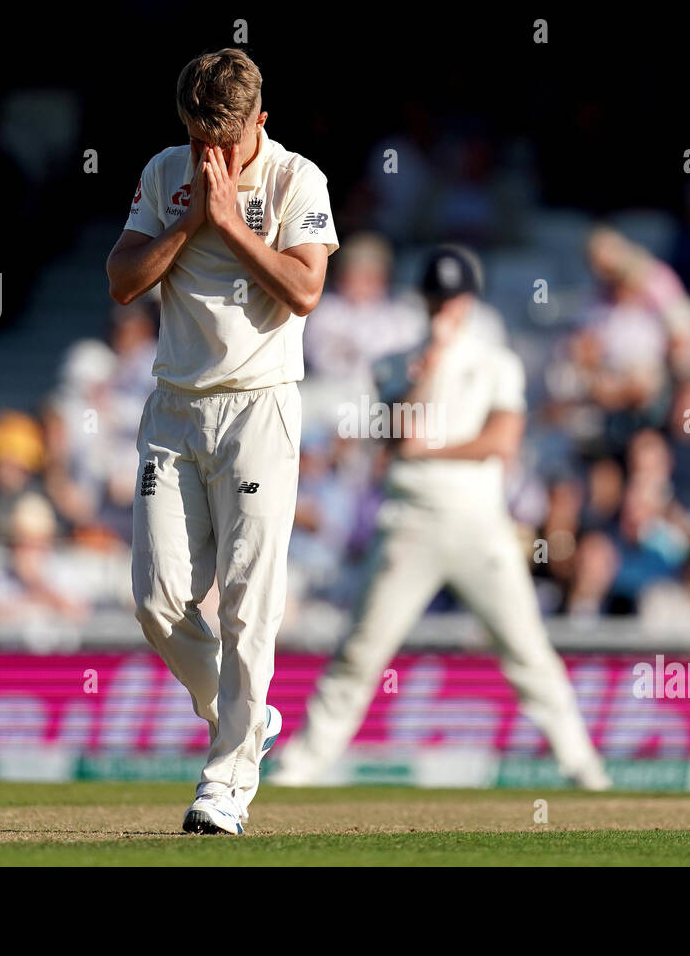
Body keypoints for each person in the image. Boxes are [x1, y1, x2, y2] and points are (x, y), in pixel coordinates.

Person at [105, 48, 339, 835]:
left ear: (259, 124)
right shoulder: (165, 170)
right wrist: (189, 219)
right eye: (199, 140)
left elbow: (305, 289)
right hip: (173, 407)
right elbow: (123, 279)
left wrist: (232, 225)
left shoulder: (295, 178)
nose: (213, 158)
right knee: (155, 599)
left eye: (227, 145)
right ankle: (249, 719)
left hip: (258, 408)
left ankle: (225, 787)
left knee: (247, 606)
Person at [274, 246, 610, 791]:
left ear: (468, 300)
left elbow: (501, 441)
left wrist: (431, 451)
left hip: (480, 521)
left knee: (527, 651)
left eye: (450, 300)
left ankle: (582, 766)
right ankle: (303, 765)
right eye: (434, 300)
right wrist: (426, 370)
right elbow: (398, 439)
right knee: (361, 650)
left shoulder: (496, 362)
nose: (442, 310)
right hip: (410, 520)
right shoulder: (393, 364)